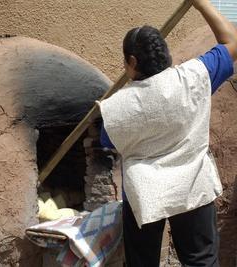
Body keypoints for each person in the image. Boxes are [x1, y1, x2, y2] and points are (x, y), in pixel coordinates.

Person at [95, 0, 237, 266]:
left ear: (132, 62)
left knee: (142, 263)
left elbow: (107, 140)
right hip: (192, 186)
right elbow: (232, 41)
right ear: (166, 53)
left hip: (144, 195)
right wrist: (201, 4)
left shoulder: (116, 107)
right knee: (201, 261)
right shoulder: (195, 76)